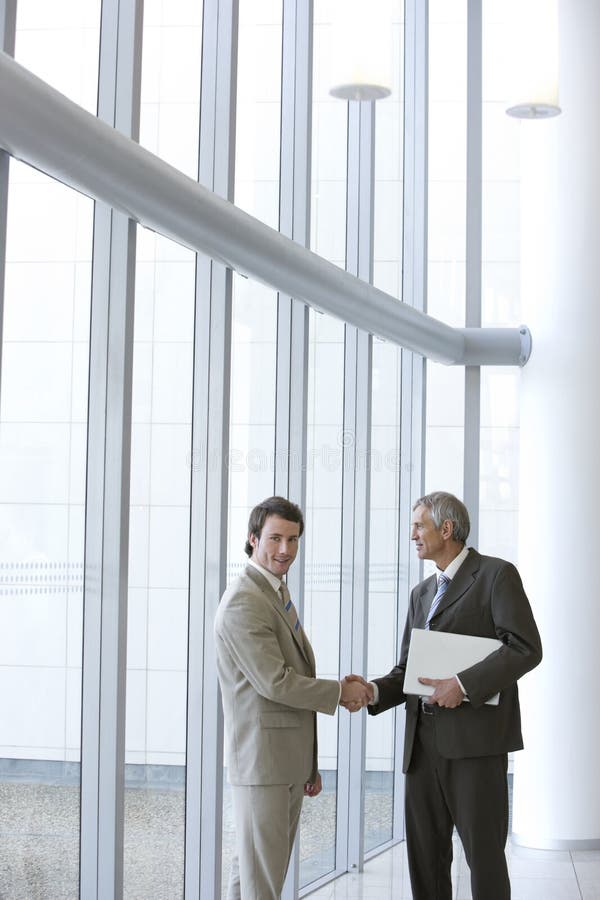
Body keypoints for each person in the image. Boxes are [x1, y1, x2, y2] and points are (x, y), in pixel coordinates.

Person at [355, 491, 542, 900]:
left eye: (419, 525)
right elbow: (408, 670)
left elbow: (525, 648)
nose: (412, 535)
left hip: (475, 747)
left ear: (446, 528)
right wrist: (371, 691)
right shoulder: (422, 593)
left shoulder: (496, 575)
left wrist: (463, 685)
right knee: (425, 859)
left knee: (484, 859)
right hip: (421, 749)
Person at [214, 496, 370, 900]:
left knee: (254, 874)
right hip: (262, 765)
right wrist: (340, 692)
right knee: (261, 880)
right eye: (275, 538)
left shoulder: (273, 591)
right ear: (252, 539)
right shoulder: (244, 601)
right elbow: (276, 683)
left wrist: (308, 765)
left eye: (294, 540)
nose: (286, 550)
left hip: (283, 763)